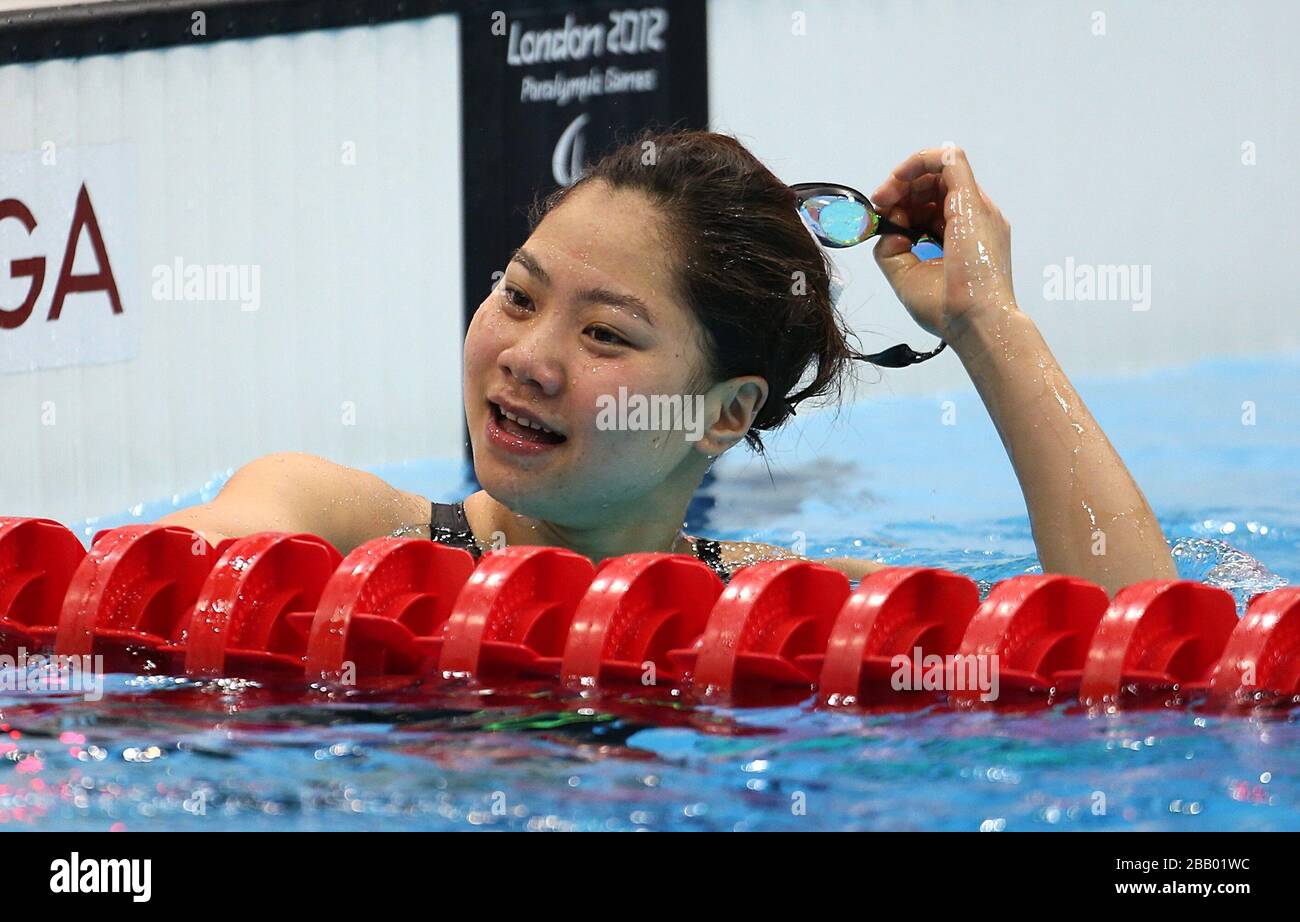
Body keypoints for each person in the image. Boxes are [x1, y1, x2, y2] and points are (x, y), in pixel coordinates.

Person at [158, 130, 1176, 596]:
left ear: (724, 414)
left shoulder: (799, 609)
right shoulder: (327, 523)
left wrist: (990, 324)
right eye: (518, 295)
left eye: (604, 333)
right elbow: (145, 579)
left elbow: (1146, 661)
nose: (528, 357)